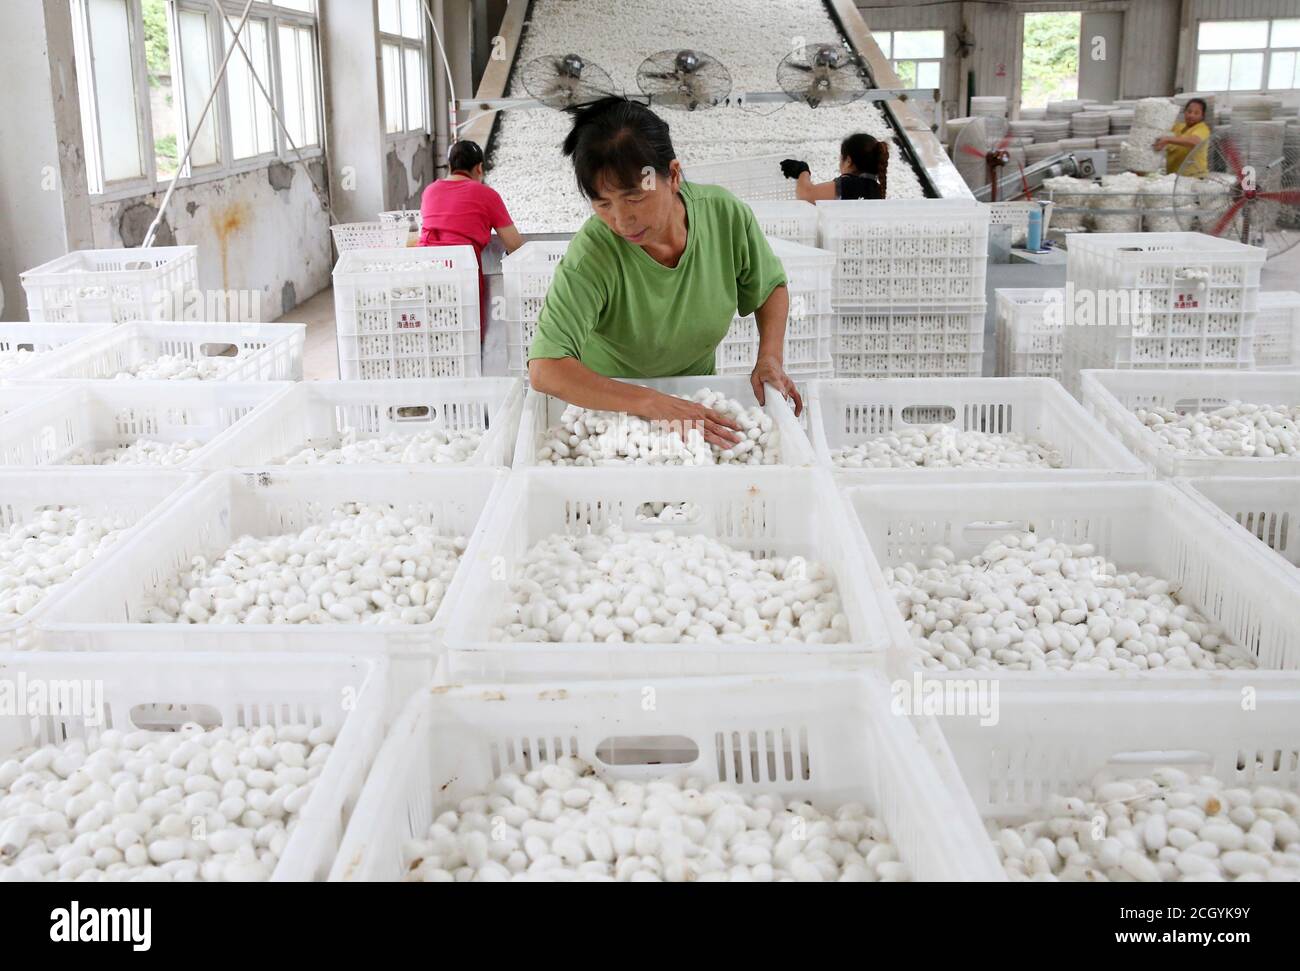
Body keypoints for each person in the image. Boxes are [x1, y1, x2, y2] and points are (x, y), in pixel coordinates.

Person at [527, 97, 802, 449]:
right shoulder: (594, 252)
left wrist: (769, 359)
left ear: (672, 175)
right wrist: (650, 402)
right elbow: (546, 367)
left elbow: (768, 288)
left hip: (695, 403)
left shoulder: (723, 215)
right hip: (609, 416)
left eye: (634, 198)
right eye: (603, 204)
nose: (621, 221)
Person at [419, 140, 524, 339]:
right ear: (479, 168)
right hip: (463, 275)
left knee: (432, 337)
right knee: (467, 340)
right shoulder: (487, 195)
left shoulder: (429, 191)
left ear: (450, 166)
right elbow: (515, 245)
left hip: (426, 272)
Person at [779, 133, 890, 202]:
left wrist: (803, 171)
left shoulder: (849, 185)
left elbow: (806, 194)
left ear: (848, 161)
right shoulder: (877, 190)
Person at [1154, 97, 1210, 178]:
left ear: (1202, 116)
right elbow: (1160, 131)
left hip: (1194, 179)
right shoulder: (1178, 127)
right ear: (1184, 112)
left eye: (1196, 113)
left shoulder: (1202, 128)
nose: (1191, 115)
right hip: (1174, 178)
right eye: (1189, 111)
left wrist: (1167, 139)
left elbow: (1195, 141)